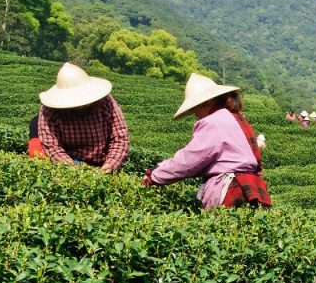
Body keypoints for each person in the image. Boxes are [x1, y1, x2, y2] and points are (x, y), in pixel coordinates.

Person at [142, 73, 271, 209]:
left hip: (231, 189)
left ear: (205, 103)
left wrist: (154, 176)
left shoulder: (213, 121)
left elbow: (189, 161)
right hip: (254, 189)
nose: (195, 114)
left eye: (195, 108)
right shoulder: (236, 117)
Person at [37, 62, 129, 172]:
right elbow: (51, 146)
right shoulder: (50, 110)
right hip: (70, 164)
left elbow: (120, 136)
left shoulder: (105, 102)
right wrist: (73, 168)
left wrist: (111, 164)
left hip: (103, 161)